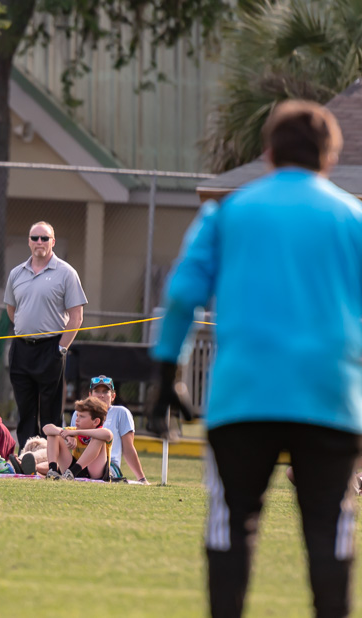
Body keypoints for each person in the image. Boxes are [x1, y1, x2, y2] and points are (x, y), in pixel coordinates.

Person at [148, 100, 362, 618]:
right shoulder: (354, 218)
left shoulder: (227, 213)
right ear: (330, 157)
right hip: (331, 396)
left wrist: (164, 378)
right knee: (330, 526)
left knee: (231, 519)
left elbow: (181, 296)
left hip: (243, 395)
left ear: (267, 153)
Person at [4, 221, 87, 450]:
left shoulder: (66, 273)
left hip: (51, 347)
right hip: (21, 348)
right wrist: (27, 328)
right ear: (29, 242)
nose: (39, 242)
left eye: (44, 238)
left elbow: (76, 317)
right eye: (35, 238)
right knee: (25, 408)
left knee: (50, 409)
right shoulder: (16, 273)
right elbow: (12, 310)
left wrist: (61, 348)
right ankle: (27, 456)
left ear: (53, 241)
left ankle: (51, 459)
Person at [75, 375, 149, 484]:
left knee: (100, 436)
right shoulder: (79, 413)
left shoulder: (121, 413)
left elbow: (128, 449)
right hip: (79, 463)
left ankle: (71, 471)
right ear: (90, 395)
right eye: (97, 391)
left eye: (105, 392)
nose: (101, 395)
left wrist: (142, 478)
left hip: (108, 465)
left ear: (113, 396)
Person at [43, 396, 112, 481]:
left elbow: (108, 435)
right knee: (53, 434)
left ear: (96, 421)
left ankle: (72, 472)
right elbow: (46, 428)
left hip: (95, 473)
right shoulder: (73, 431)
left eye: (82, 416)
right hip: (71, 472)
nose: (77, 419)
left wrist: (75, 432)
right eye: (77, 415)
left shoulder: (100, 432)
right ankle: (52, 472)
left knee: (98, 438)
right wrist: (66, 435)